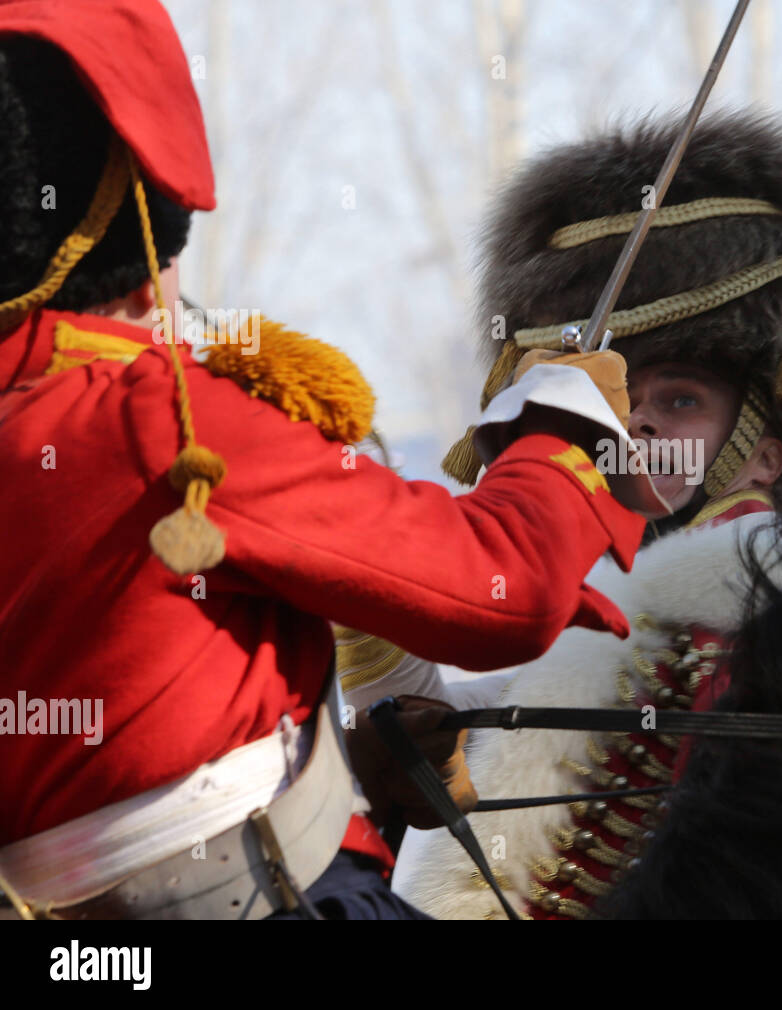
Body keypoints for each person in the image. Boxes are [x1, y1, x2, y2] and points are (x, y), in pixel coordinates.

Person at [0, 0, 652, 920]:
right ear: (137, 225)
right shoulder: (169, 418)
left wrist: (352, 764)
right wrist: (561, 435)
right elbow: (502, 589)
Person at [382, 111, 782, 918]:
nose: (637, 425)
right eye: (618, 400)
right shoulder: (608, 602)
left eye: (680, 398)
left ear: (763, 452)